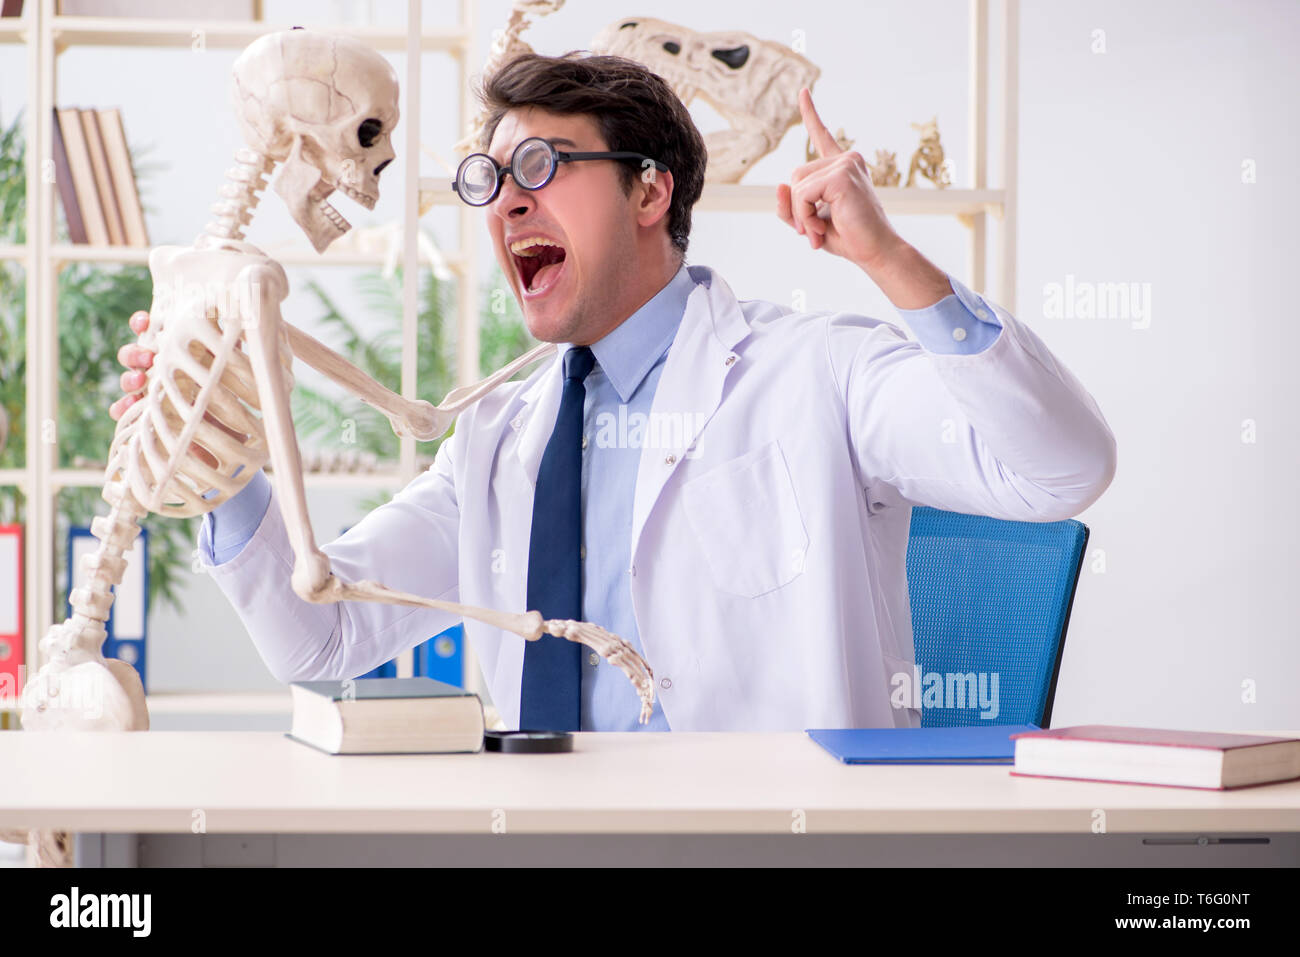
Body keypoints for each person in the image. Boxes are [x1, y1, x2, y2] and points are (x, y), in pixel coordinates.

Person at [111, 54, 1116, 733]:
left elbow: (1058, 467)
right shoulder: (500, 436)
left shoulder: (816, 373)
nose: (505, 201)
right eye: (487, 180)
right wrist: (214, 460)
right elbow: (321, 635)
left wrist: (888, 258)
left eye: (541, 167)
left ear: (649, 192)